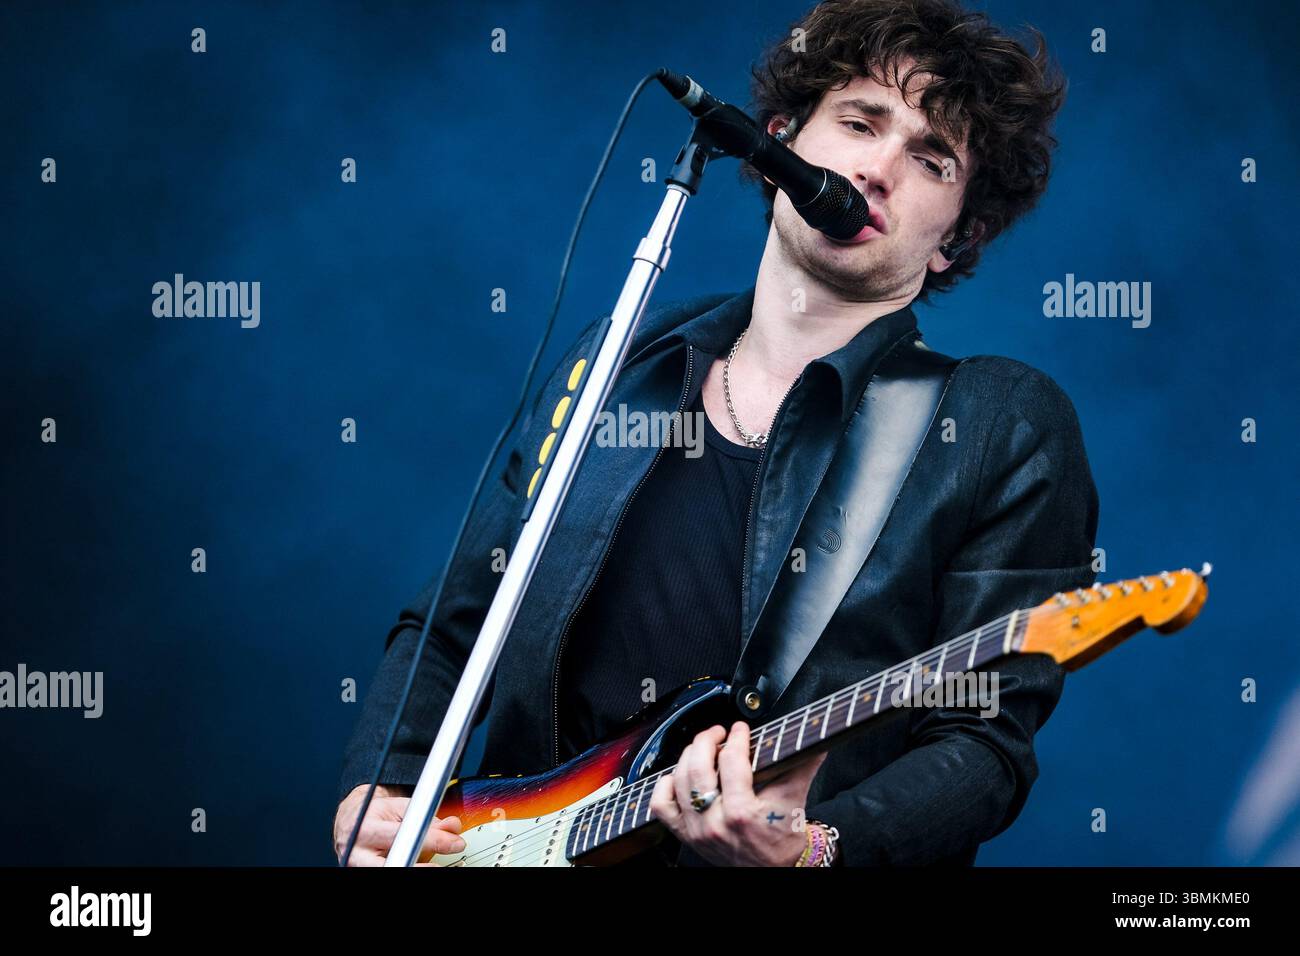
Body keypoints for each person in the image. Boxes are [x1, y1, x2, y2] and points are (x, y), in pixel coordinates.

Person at [335, 0, 1098, 867]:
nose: (879, 169)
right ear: (776, 145)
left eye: (932, 159)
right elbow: (455, 622)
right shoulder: (619, 362)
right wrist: (382, 791)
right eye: (859, 121)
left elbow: (983, 747)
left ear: (956, 243)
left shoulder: (1000, 425)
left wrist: (812, 851)